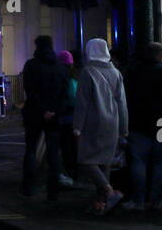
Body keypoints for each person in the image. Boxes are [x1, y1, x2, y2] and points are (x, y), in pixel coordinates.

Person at [123, 42, 162, 213]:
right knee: (160, 161)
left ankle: (139, 200)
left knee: (138, 161)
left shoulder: (133, 73)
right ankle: (155, 200)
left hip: (138, 122)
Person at [72, 37, 129, 215]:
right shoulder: (116, 72)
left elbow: (82, 102)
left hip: (92, 122)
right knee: (104, 161)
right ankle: (102, 203)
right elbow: (122, 103)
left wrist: (77, 126)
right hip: (113, 122)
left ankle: (108, 192)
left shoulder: (87, 72)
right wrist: (124, 128)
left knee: (86, 160)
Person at [19, 35, 67, 203]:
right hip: (54, 115)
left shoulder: (31, 65)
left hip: (34, 114)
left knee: (31, 150)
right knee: (54, 154)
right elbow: (64, 93)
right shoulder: (60, 67)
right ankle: (53, 191)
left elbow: (30, 92)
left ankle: (28, 188)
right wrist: (54, 111)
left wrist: (42, 110)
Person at [56, 49, 78, 183]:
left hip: (65, 119)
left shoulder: (63, 81)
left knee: (66, 149)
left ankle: (68, 175)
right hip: (76, 119)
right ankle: (73, 173)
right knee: (73, 149)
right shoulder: (75, 80)